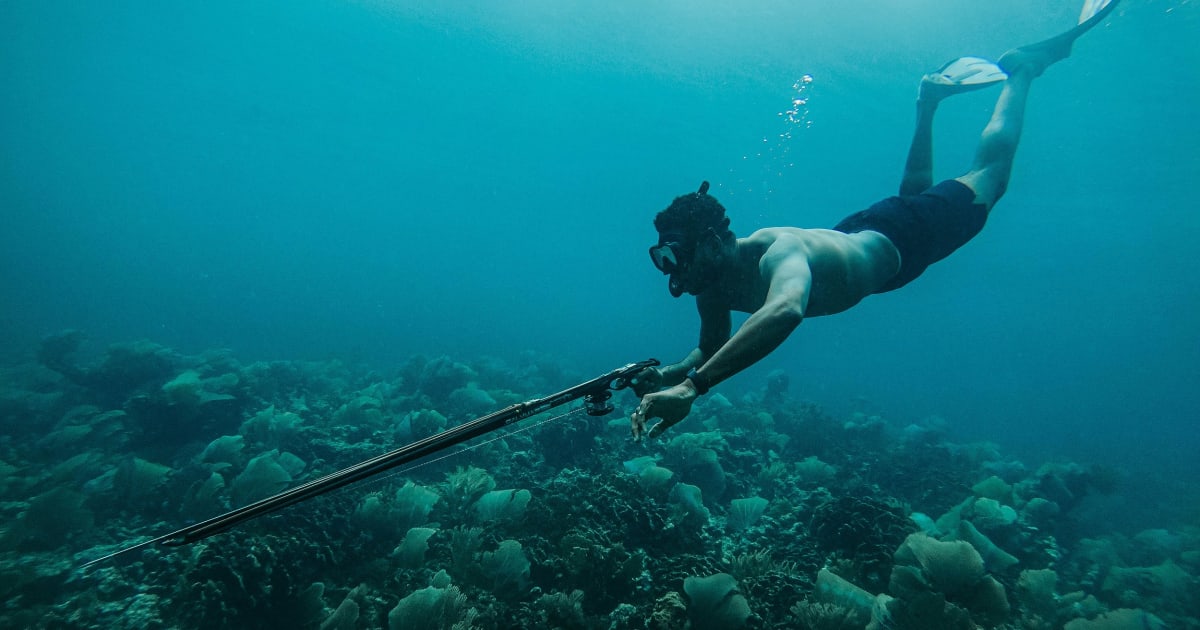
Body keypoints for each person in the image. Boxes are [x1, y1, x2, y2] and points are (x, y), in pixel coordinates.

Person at [630, 0, 1120, 440]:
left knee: (988, 177)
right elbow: (711, 346)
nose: (673, 270)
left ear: (714, 241)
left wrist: (693, 389)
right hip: (860, 236)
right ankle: (926, 103)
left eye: (677, 255)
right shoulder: (709, 284)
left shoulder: (780, 254)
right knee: (915, 195)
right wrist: (670, 375)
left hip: (898, 238)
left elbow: (784, 311)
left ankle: (1022, 72)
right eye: (663, 258)